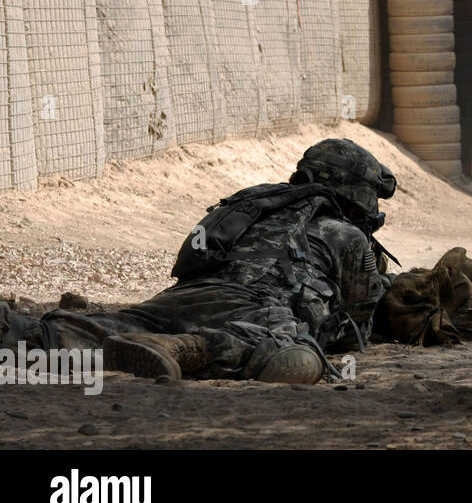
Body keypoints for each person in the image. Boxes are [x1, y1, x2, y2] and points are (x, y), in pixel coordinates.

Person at [0, 138, 398, 384]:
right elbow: (355, 325)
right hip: (258, 308)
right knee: (293, 356)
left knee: (109, 324)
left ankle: (16, 329)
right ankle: (183, 348)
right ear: (355, 192)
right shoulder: (346, 236)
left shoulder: (256, 205)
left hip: (184, 297)